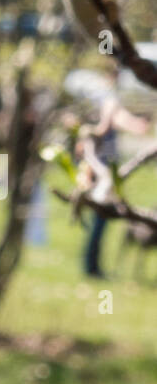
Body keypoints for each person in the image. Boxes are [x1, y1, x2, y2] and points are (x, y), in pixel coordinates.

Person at [78, 66, 151, 277]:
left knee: (101, 218)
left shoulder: (100, 97)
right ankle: (92, 267)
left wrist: (137, 124)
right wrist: (135, 124)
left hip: (102, 168)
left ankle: (92, 265)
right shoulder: (107, 97)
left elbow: (118, 119)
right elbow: (111, 120)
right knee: (101, 217)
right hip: (102, 170)